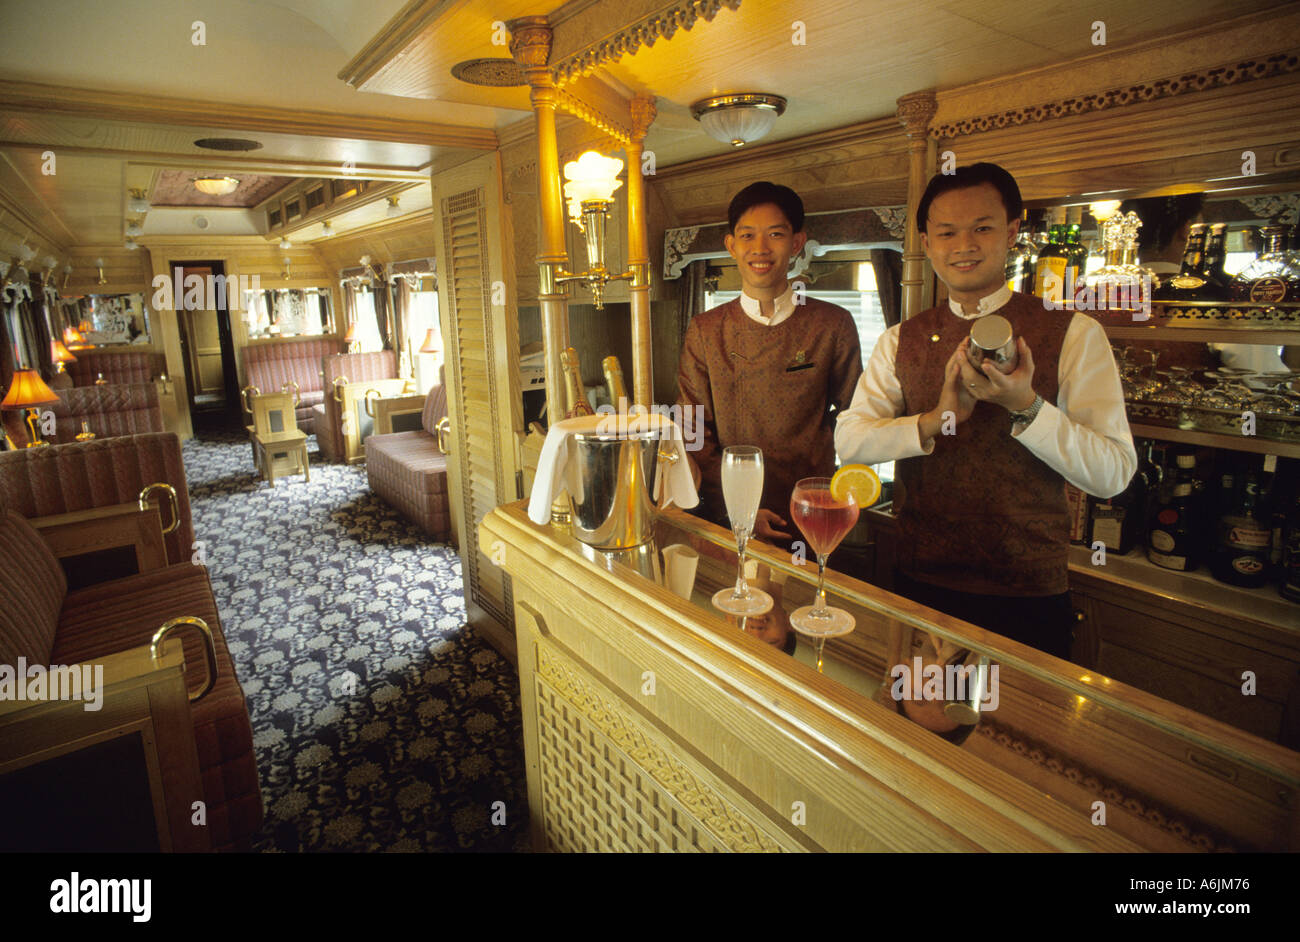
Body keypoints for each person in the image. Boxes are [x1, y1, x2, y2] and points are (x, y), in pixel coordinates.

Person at [835, 162, 1137, 660]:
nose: (964, 245)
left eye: (982, 228)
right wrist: (937, 419)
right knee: (915, 726)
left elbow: (1112, 473)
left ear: (1013, 231)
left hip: (1027, 592)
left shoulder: (1074, 332)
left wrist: (1027, 406)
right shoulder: (900, 340)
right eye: (947, 232)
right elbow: (849, 441)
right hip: (920, 580)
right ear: (927, 243)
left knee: (1017, 737)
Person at [677, 181, 863, 651]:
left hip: (812, 523)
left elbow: (859, 419)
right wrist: (736, 511)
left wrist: (841, 500)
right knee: (735, 634)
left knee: (811, 634)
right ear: (731, 245)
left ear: (797, 243)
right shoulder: (705, 331)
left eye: (776, 235)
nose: (760, 249)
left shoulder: (831, 324)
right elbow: (694, 433)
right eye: (747, 235)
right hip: (730, 520)